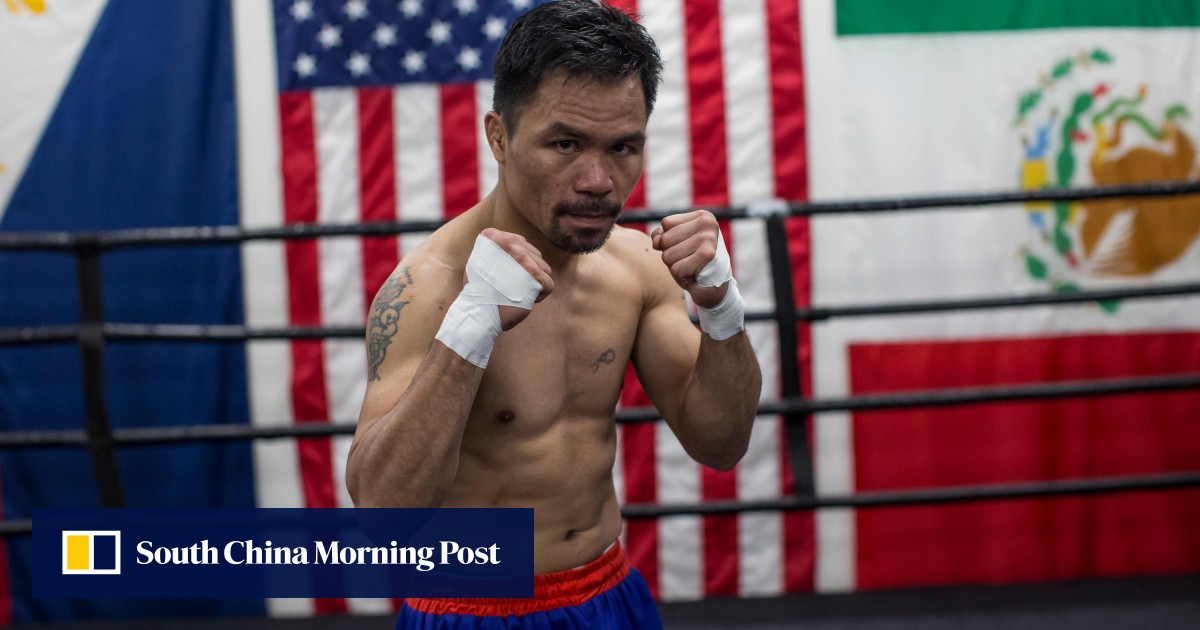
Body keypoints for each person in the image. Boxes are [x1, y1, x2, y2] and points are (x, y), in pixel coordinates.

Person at [347, 1, 762, 626]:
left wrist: (722, 309)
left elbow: (722, 444)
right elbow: (383, 517)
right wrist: (468, 331)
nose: (598, 180)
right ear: (499, 137)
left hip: (608, 592)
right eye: (565, 143)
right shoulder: (427, 289)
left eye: (622, 147)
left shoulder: (637, 267)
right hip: (472, 608)